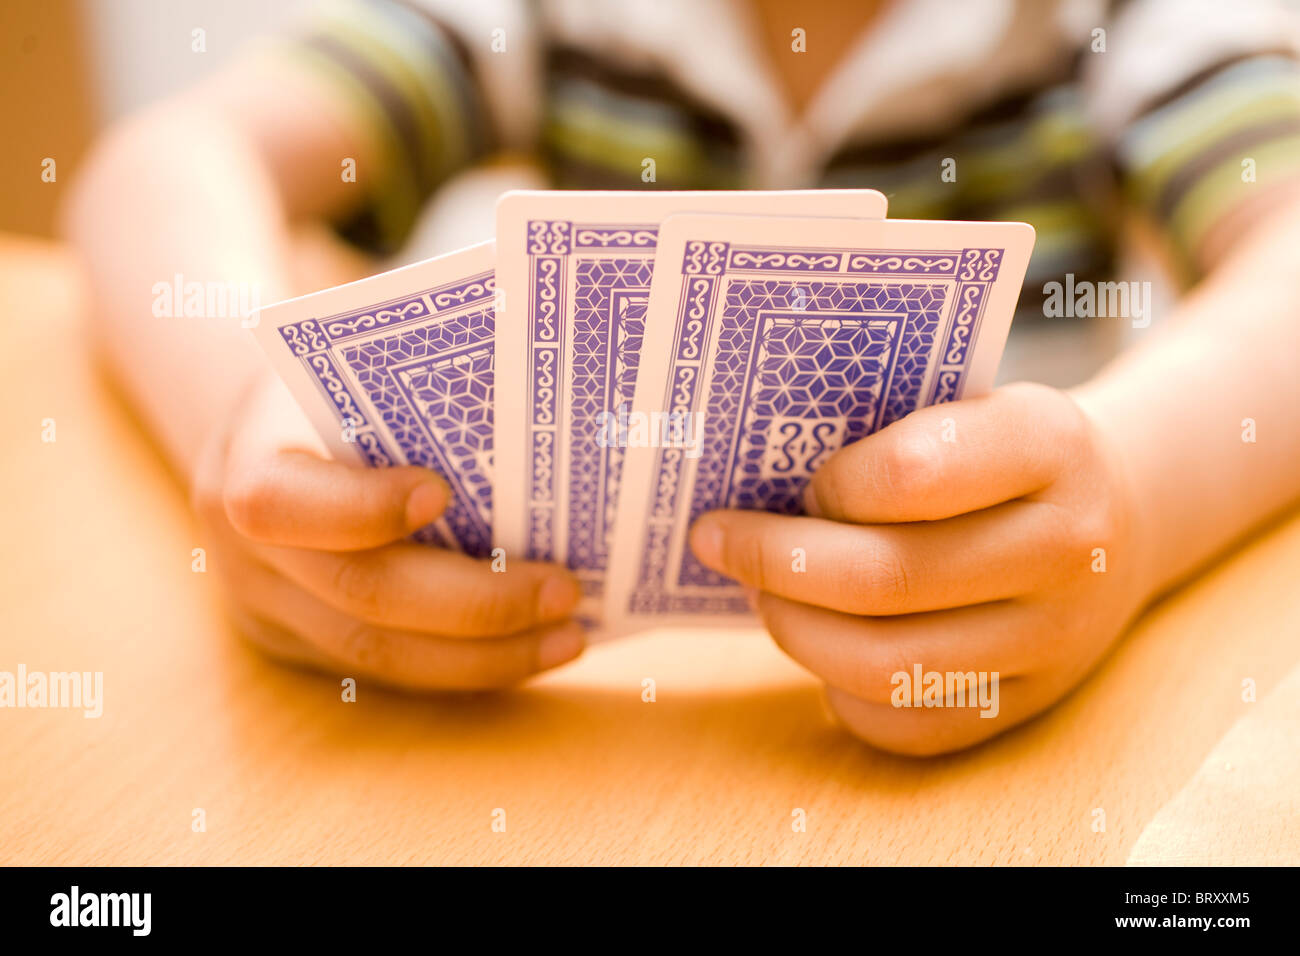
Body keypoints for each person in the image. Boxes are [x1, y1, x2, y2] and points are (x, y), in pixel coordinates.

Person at [64, 0, 1300, 754]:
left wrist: (1127, 503)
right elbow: (166, 161)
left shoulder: (1129, 16)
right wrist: (237, 430)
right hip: (584, 724)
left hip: (1002, 719)